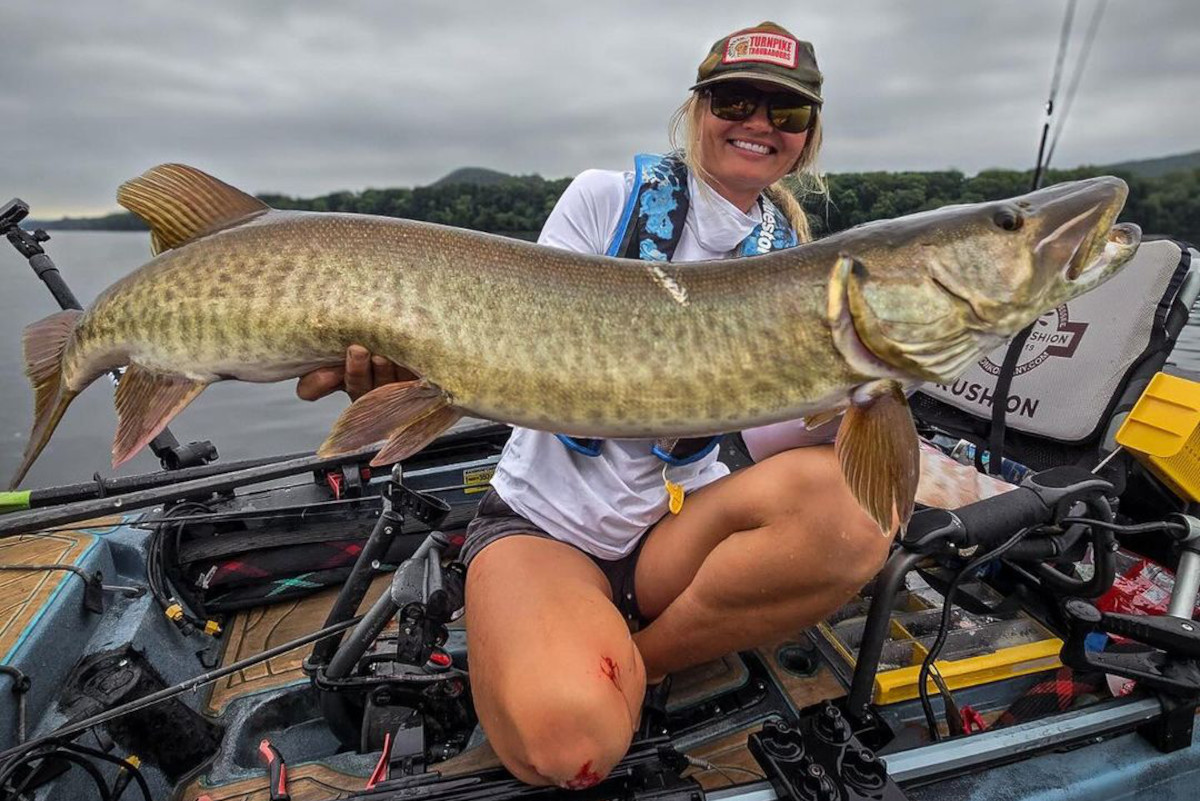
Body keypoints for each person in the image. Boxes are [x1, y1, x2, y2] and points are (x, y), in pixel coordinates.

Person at [297, 22, 893, 790]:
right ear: (698, 108)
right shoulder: (604, 201)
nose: (758, 124)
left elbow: (775, 437)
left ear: (807, 138)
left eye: (786, 112)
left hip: (669, 533)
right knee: (569, 742)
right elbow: (511, 348)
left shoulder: (792, 264)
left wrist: (865, 393)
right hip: (545, 526)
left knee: (857, 517)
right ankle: (582, 656)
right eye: (736, 99)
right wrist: (400, 366)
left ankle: (637, 660)